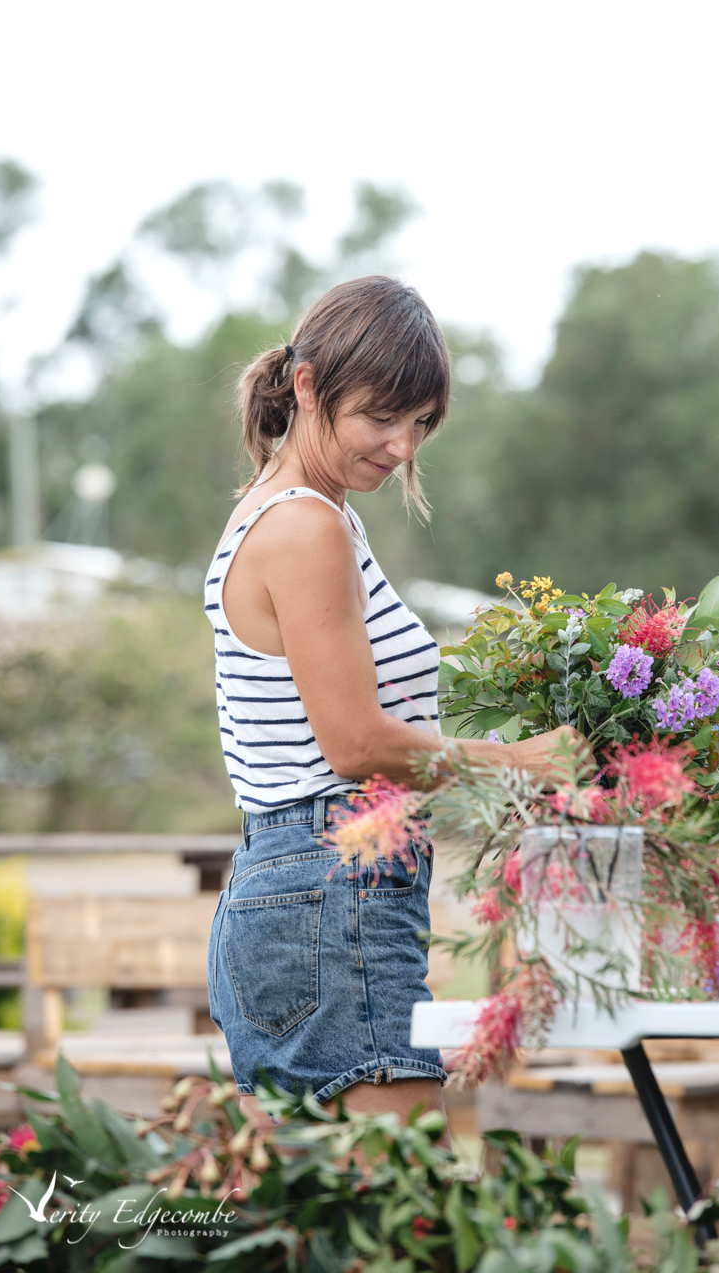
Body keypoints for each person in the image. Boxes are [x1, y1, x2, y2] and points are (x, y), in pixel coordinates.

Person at [204, 276, 582, 1131]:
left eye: (420, 425)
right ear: (306, 385)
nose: (402, 446)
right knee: (405, 1227)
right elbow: (355, 745)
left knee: (328, 1233)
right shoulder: (306, 526)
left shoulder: (292, 512)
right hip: (330, 882)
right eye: (382, 416)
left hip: (294, 887)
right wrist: (524, 764)